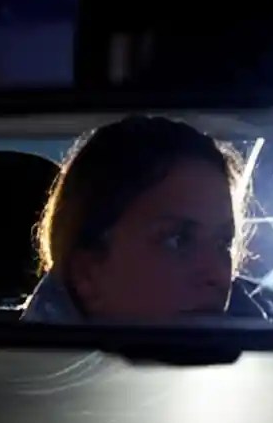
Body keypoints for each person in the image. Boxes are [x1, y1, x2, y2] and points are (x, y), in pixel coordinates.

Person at [21, 115, 254, 322]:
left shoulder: (261, 352)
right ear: (88, 275)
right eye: (178, 240)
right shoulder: (19, 370)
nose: (217, 275)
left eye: (224, 243)